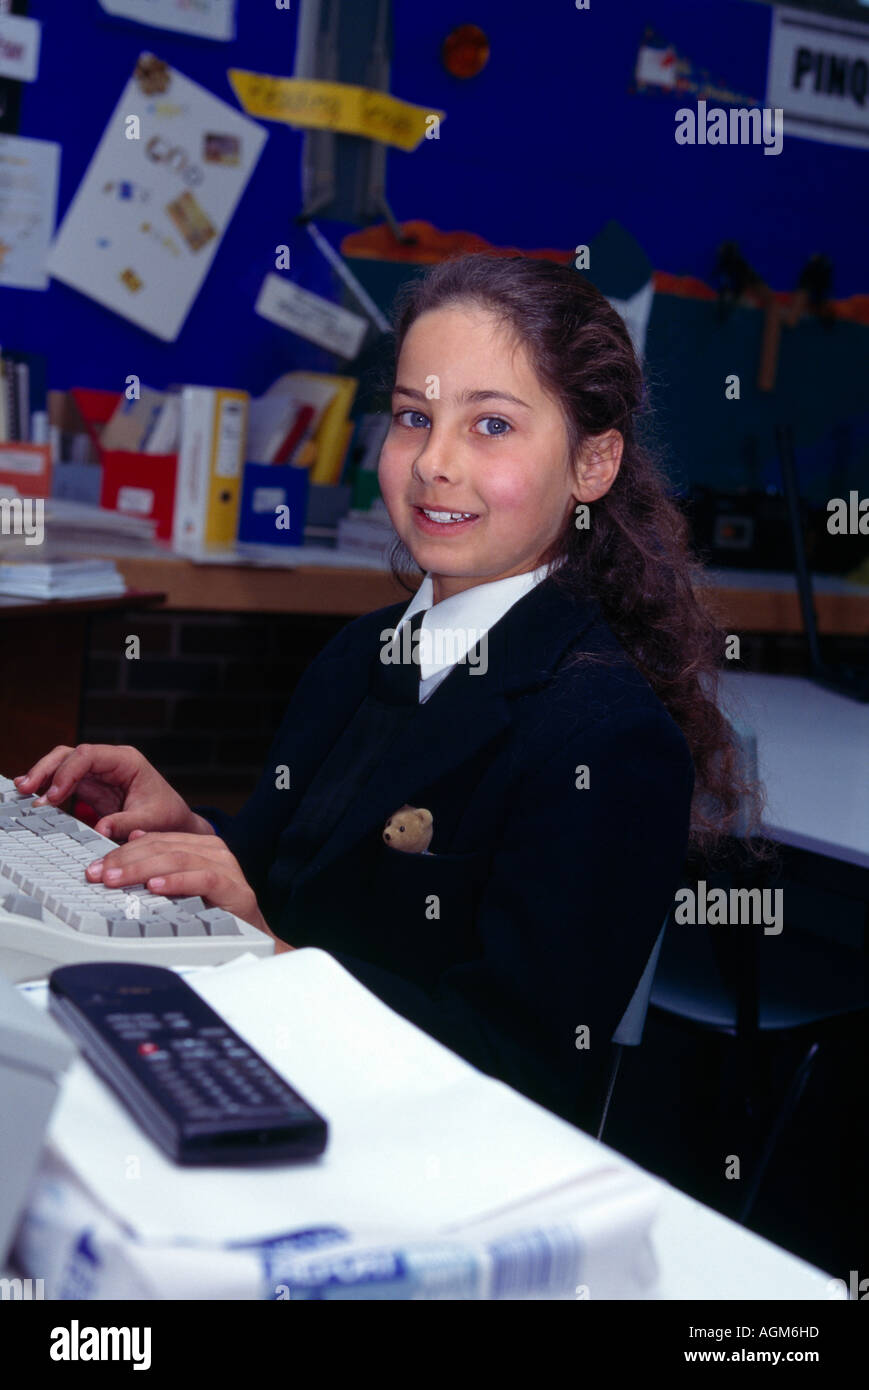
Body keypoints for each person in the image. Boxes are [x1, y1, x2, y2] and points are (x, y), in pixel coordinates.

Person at [14, 254, 759, 1126]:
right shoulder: (361, 650)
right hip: (260, 1078)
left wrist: (270, 949)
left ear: (592, 465)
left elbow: (519, 1072)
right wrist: (191, 835)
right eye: (415, 417)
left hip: (409, 1151)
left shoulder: (604, 738)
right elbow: (280, 883)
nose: (434, 462)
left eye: (490, 426)